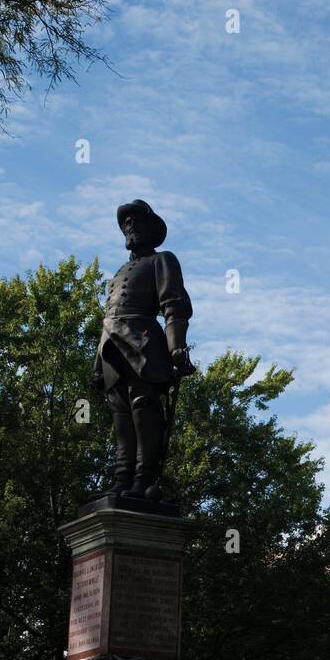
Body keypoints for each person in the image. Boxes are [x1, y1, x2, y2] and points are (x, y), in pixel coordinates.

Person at [91, 200, 194, 500]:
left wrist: (177, 348)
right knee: (120, 416)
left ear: (151, 229)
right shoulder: (120, 271)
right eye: (126, 225)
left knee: (143, 411)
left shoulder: (162, 260)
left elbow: (174, 305)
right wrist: (98, 365)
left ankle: (142, 478)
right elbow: (109, 317)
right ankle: (121, 478)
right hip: (111, 348)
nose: (130, 228)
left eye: (136, 223)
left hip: (143, 343)